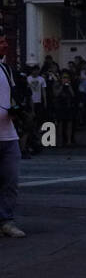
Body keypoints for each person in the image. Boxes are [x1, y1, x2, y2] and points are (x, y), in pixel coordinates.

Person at [0, 30, 25, 237]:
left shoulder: (5, 69)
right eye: (1, 42)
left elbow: (13, 96)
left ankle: (6, 220)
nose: (5, 45)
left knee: (11, 181)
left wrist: (16, 110)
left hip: (9, 134)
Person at [52, 72, 78, 147]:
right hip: (60, 107)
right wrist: (62, 86)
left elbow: (73, 95)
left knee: (69, 124)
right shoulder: (57, 84)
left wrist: (69, 86)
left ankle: (69, 141)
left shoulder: (70, 85)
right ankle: (60, 141)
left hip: (68, 107)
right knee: (60, 124)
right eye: (64, 77)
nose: (65, 79)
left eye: (67, 77)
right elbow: (56, 94)